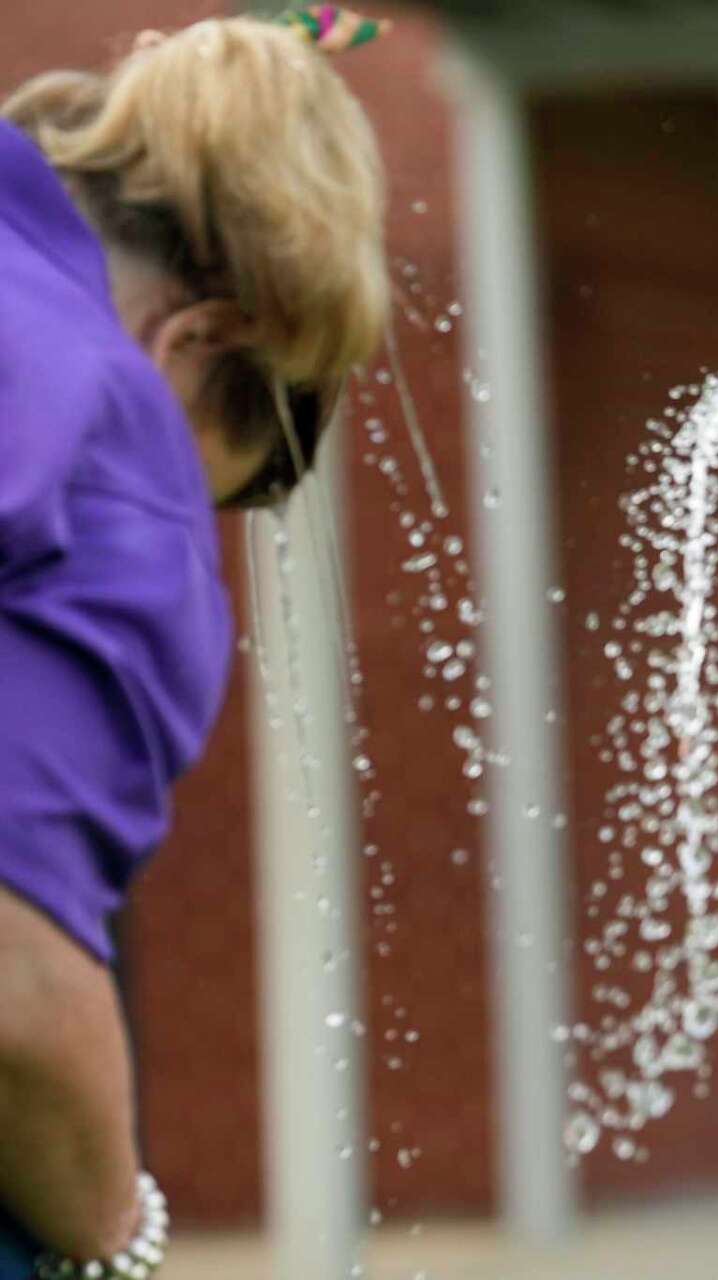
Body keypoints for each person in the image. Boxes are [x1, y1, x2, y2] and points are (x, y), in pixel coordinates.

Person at [0, 10, 387, 1275]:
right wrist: (115, 1232)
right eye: (243, 478)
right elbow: (14, 985)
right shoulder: (119, 442)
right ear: (209, 342)